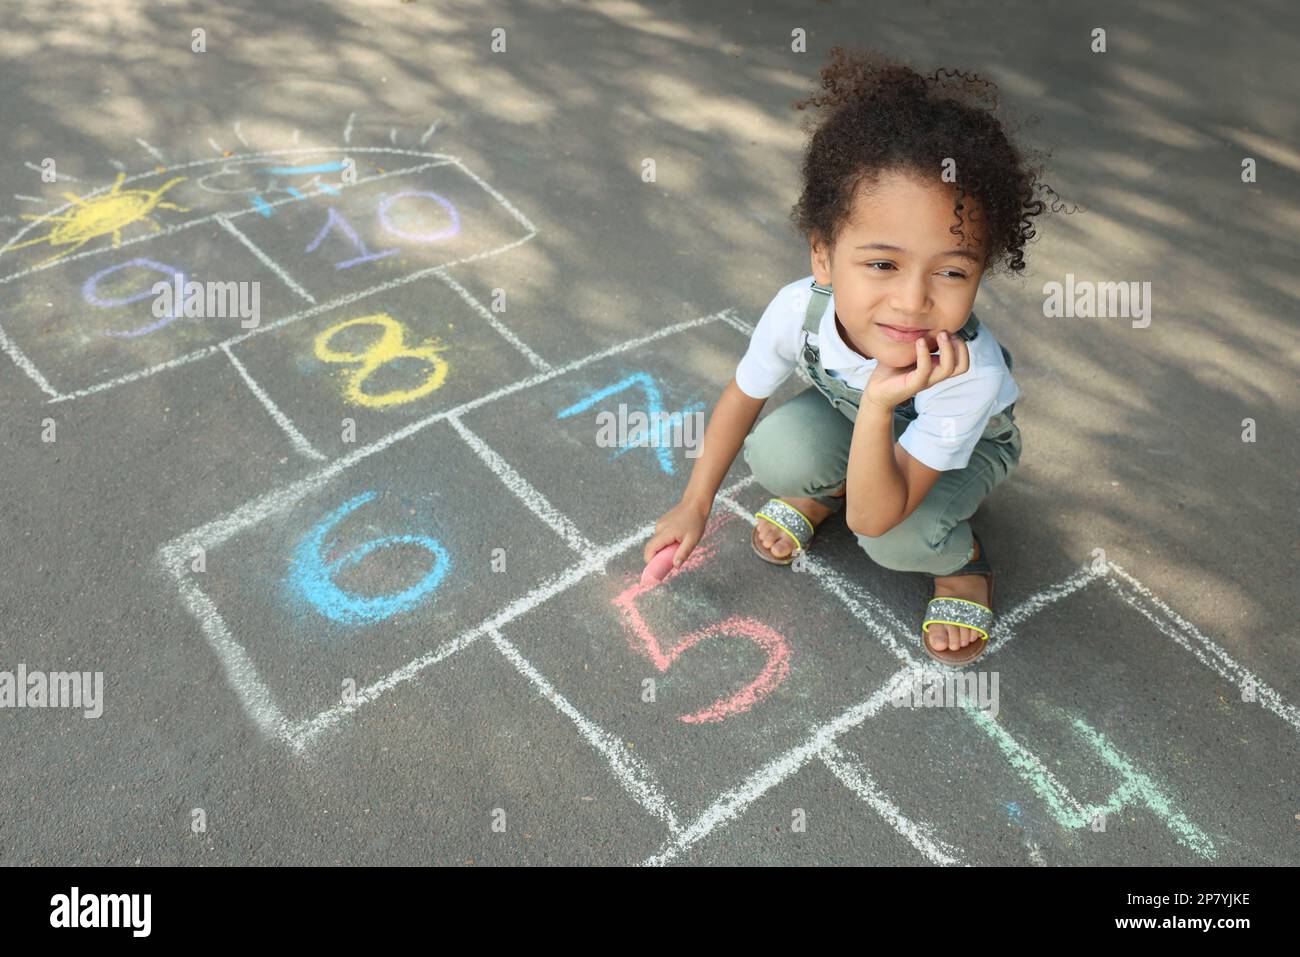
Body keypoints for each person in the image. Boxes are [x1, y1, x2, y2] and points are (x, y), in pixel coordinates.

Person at [642, 48, 1056, 666]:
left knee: (891, 537)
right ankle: (822, 490)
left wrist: (883, 402)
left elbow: (874, 515)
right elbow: (742, 397)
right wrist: (695, 501)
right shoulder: (795, 310)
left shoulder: (969, 374)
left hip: (962, 447)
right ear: (823, 255)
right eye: (882, 263)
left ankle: (964, 564)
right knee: (777, 453)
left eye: (949, 271)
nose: (912, 301)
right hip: (867, 419)